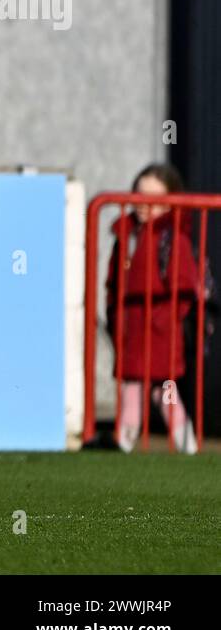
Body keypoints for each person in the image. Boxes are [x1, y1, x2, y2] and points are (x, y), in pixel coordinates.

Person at [106, 163, 205, 455]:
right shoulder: (127, 233)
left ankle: (185, 445)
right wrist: (115, 317)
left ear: (171, 200)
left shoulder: (173, 237)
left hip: (162, 329)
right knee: (133, 388)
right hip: (131, 327)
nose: (144, 205)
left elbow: (186, 287)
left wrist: (167, 319)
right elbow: (113, 281)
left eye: (154, 199)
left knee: (165, 390)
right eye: (139, 196)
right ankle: (125, 442)